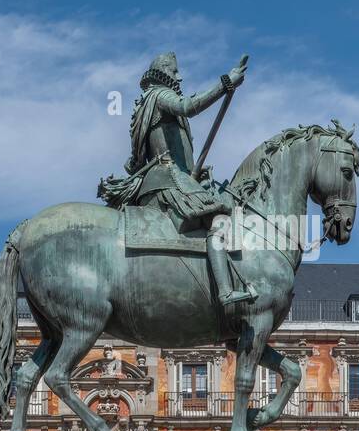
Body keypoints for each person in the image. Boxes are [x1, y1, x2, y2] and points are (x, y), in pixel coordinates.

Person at [102, 51, 253, 308]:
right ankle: (225, 292)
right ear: (163, 73)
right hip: (168, 179)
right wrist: (226, 82)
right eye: (174, 71)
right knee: (219, 218)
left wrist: (193, 173)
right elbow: (189, 107)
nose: (179, 76)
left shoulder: (146, 103)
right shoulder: (160, 96)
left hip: (164, 178)